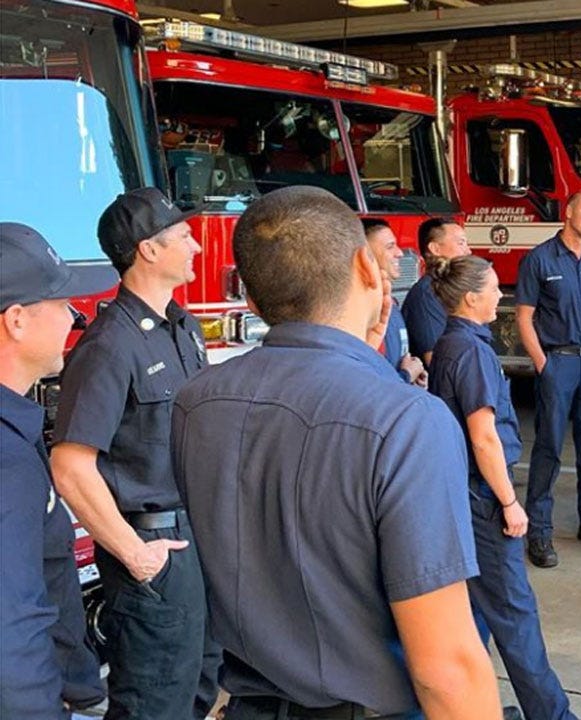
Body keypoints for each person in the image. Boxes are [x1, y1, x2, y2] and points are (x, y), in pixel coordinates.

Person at [171, 186, 500, 719]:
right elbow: (446, 667)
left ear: (252, 301)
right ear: (367, 268)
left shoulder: (195, 402)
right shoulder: (407, 420)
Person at [49, 188, 221, 720]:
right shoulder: (108, 345)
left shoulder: (183, 329)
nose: (196, 246)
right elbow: (71, 466)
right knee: (155, 702)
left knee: (200, 685)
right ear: (148, 249)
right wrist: (137, 555)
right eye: (185, 236)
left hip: (196, 541)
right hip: (153, 548)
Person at [428, 254, 579, 720]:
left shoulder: (452, 344)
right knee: (514, 615)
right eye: (494, 288)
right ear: (471, 297)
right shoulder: (471, 351)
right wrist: (510, 502)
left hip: (464, 497)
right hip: (484, 499)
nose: (500, 296)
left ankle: (470, 708)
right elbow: (484, 435)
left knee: (476, 614)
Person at [1, 223, 116, 719]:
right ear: (18, 320)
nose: (73, 317)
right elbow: (11, 625)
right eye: (61, 302)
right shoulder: (6, 459)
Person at [515, 191, 581, 568]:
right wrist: (543, 364)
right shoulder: (540, 259)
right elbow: (524, 317)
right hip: (558, 362)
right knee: (549, 447)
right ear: (569, 212)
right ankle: (539, 531)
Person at [362, 218, 425, 386]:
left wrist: (414, 381)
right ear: (364, 254)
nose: (399, 253)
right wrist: (406, 375)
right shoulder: (359, 316)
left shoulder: (393, 306)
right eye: (390, 246)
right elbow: (367, 385)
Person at [403, 218, 470, 368]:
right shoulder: (427, 295)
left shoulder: (447, 289)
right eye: (461, 243)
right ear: (435, 249)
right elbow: (436, 360)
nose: (468, 251)